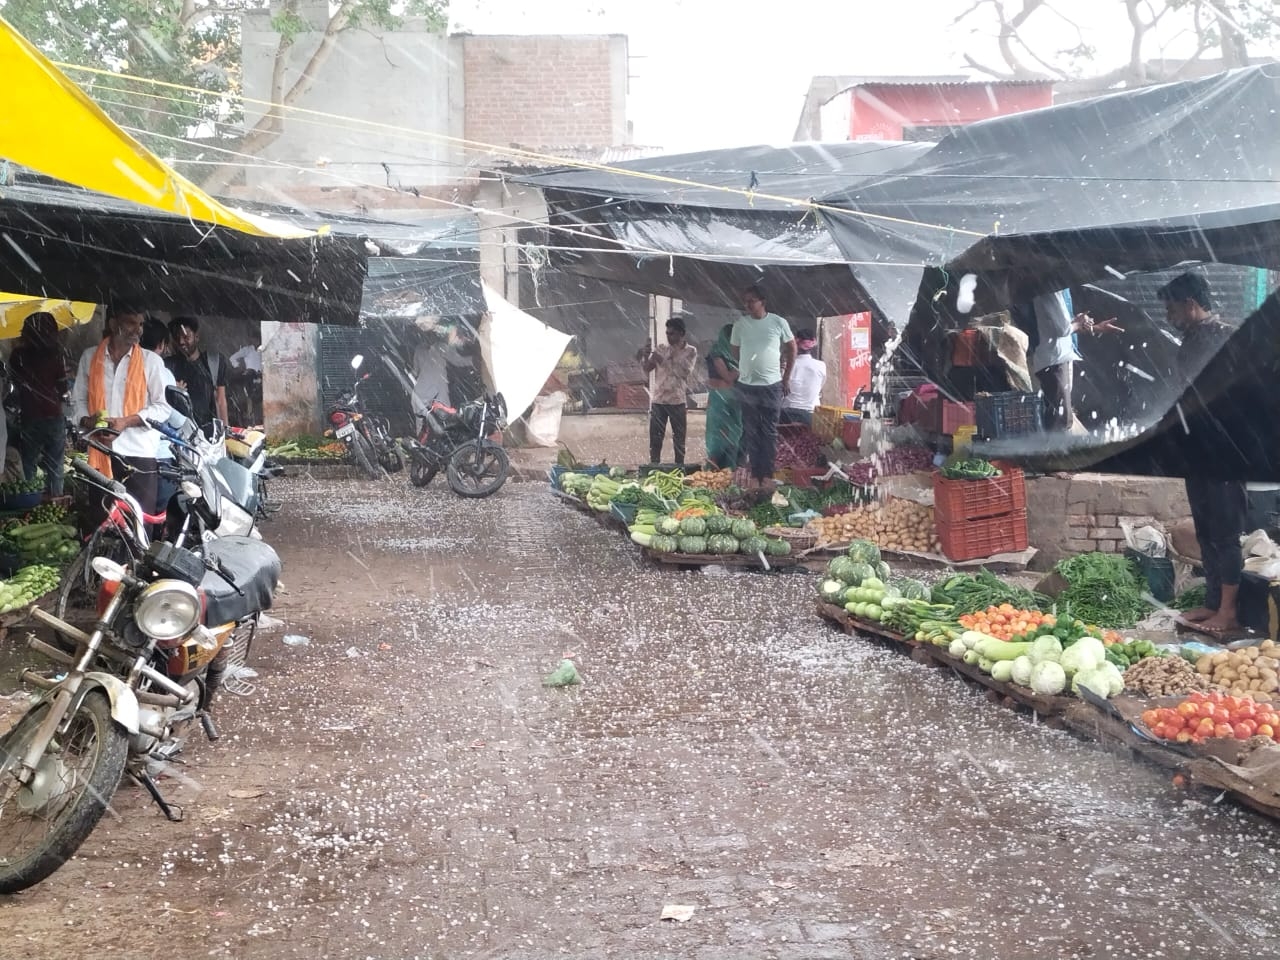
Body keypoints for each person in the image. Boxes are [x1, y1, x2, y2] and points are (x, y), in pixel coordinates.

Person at [1160, 272, 1245, 638]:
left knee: (1225, 532)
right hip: (1200, 451)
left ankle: (1228, 612)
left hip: (1225, 451)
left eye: (1172, 309)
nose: (1169, 317)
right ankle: (1212, 602)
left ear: (1191, 306)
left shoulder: (1224, 337)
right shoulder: (1194, 339)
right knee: (1207, 530)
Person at [72, 303, 170, 515]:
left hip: (138, 455)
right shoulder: (90, 357)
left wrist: (126, 421)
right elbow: (77, 400)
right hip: (100, 454)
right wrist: (87, 421)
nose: (138, 330)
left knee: (138, 525)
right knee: (102, 523)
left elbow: (163, 408)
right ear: (113, 323)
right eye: (131, 323)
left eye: (141, 324)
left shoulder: (150, 361)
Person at [1029, 289, 1123, 431]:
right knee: (1061, 418)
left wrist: (1094, 327)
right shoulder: (1050, 291)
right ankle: (1053, 449)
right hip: (1054, 360)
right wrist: (1079, 323)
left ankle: (1055, 448)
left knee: (1060, 414)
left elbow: (1061, 326)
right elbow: (1063, 329)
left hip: (1061, 357)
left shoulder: (1060, 290)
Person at [731, 285, 796, 489]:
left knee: (768, 432)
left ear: (763, 302)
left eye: (752, 301)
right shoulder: (740, 325)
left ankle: (766, 474)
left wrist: (786, 378)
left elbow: (792, 348)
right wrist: (747, 368)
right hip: (747, 386)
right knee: (751, 431)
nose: (748, 305)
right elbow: (735, 351)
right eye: (745, 301)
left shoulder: (778, 322)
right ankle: (754, 474)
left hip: (771, 386)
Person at [10, 311, 69, 496]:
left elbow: (15, 384)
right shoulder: (56, 355)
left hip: (30, 416)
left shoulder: (18, 355)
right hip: (53, 415)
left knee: (28, 463)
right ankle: (56, 499)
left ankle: (29, 500)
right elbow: (62, 387)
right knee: (55, 466)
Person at [642, 315, 698, 465]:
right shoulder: (661, 348)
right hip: (659, 400)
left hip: (677, 401)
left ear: (681, 334)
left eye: (672, 333)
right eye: (667, 333)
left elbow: (684, 372)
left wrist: (664, 361)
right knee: (655, 439)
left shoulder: (690, 351)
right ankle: (654, 467)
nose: (669, 336)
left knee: (679, 440)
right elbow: (647, 369)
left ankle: (679, 468)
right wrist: (646, 356)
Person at [141, 318, 179, 518]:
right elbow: (172, 415)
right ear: (162, 345)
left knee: (139, 508)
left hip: (135, 452)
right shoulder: (164, 372)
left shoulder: (129, 369)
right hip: (160, 452)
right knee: (160, 511)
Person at [167, 316, 228, 428]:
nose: (181, 342)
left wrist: (225, 431)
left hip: (208, 430)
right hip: (179, 432)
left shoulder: (214, 362)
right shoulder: (168, 366)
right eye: (177, 337)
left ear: (197, 337)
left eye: (186, 337)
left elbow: (220, 399)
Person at [704, 323, 743, 470]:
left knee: (734, 436)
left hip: (735, 399)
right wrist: (741, 370)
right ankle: (713, 469)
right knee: (718, 436)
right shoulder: (718, 351)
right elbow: (727, 377)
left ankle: (729, 468)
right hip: (720, 399)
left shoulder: (738, 353)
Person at [779, 328, 827, 426]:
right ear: (813, 344)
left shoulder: (786, 366)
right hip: (810, 415)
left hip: (786, 414)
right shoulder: (821, 366)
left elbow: (780, 390)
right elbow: (819, 387)